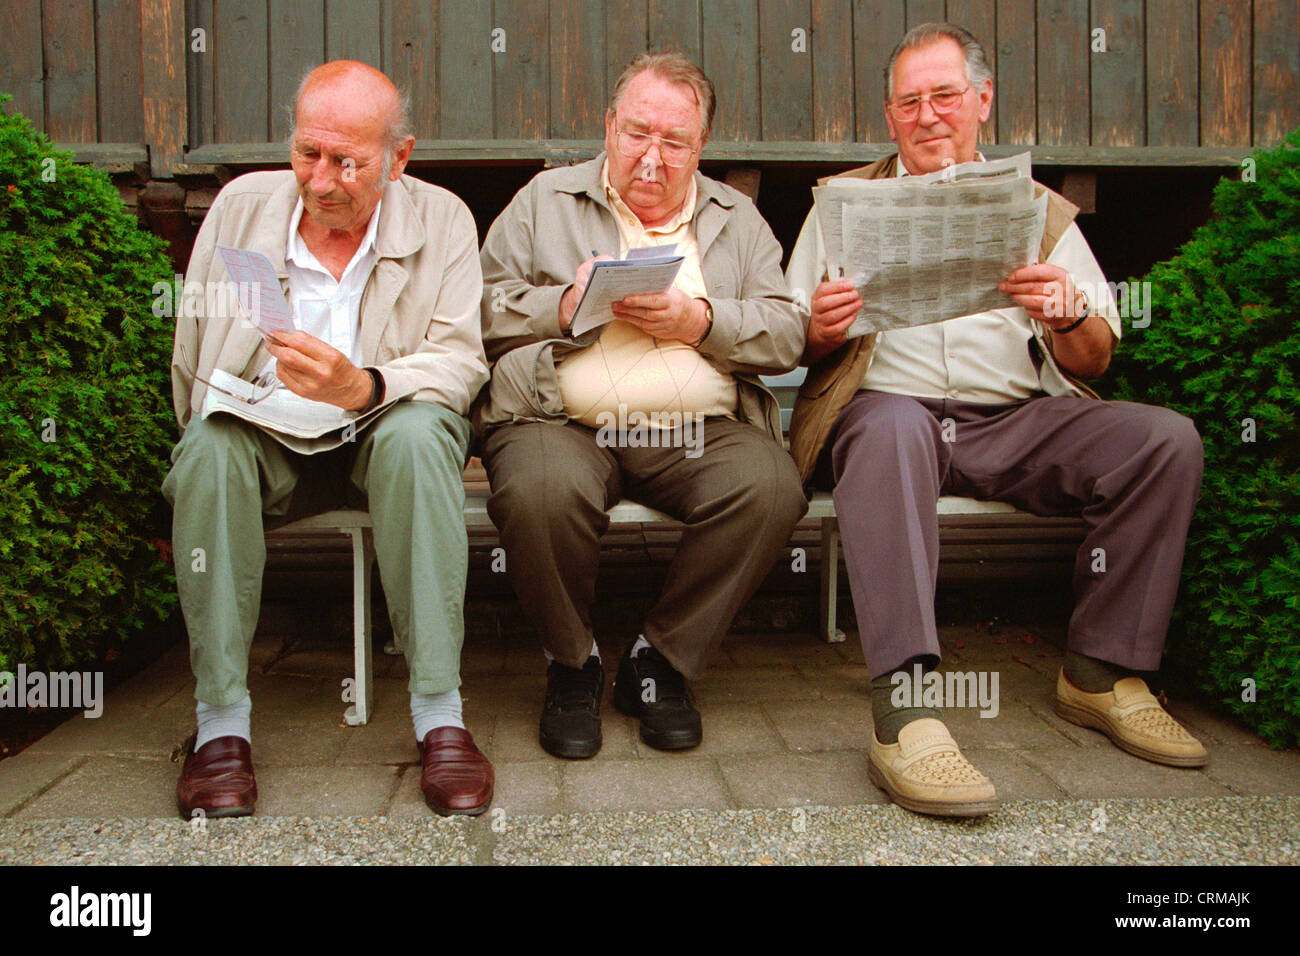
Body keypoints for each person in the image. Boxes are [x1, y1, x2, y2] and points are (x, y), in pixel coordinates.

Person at [786, 23, 1207, 817]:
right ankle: (906, 710)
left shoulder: (1042, 212)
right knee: (888, 430)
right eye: (909, 101)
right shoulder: (841, 207)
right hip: (892, 413)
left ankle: (1102, 674)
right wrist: (820, 325)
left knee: (1164, 441)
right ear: (889, 115)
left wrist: (1065, 313)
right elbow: (789, 338)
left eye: (945, 95)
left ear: (982, 101)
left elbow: (1093, 360)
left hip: (1015, 419)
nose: (928, 114)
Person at [166, 61, 493, 818]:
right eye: (308, 153)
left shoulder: (442, 219)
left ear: (399, 157)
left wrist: (365, 387)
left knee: (418, 440)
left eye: (348, 161)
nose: (321, 180)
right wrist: (219, 416)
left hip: (383, 425)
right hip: (266, 435)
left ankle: (441, 715)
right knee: (208, 452)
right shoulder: (243, 207)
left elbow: (460, 361)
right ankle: (218, 728)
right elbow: (190, 350)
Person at [478, 52, 807, 760]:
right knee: (539, 490)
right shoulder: (544, 200)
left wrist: (699, 323)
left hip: (696, 429)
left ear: (701, 148)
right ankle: (572, 663)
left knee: (772, 486)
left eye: (674, 142)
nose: (651, 159)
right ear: (608, 126)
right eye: (636, 133)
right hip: (559, 417)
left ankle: (659, 661)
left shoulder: (736, 217)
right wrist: (562, 305)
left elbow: (786, 333)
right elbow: (479, 310)